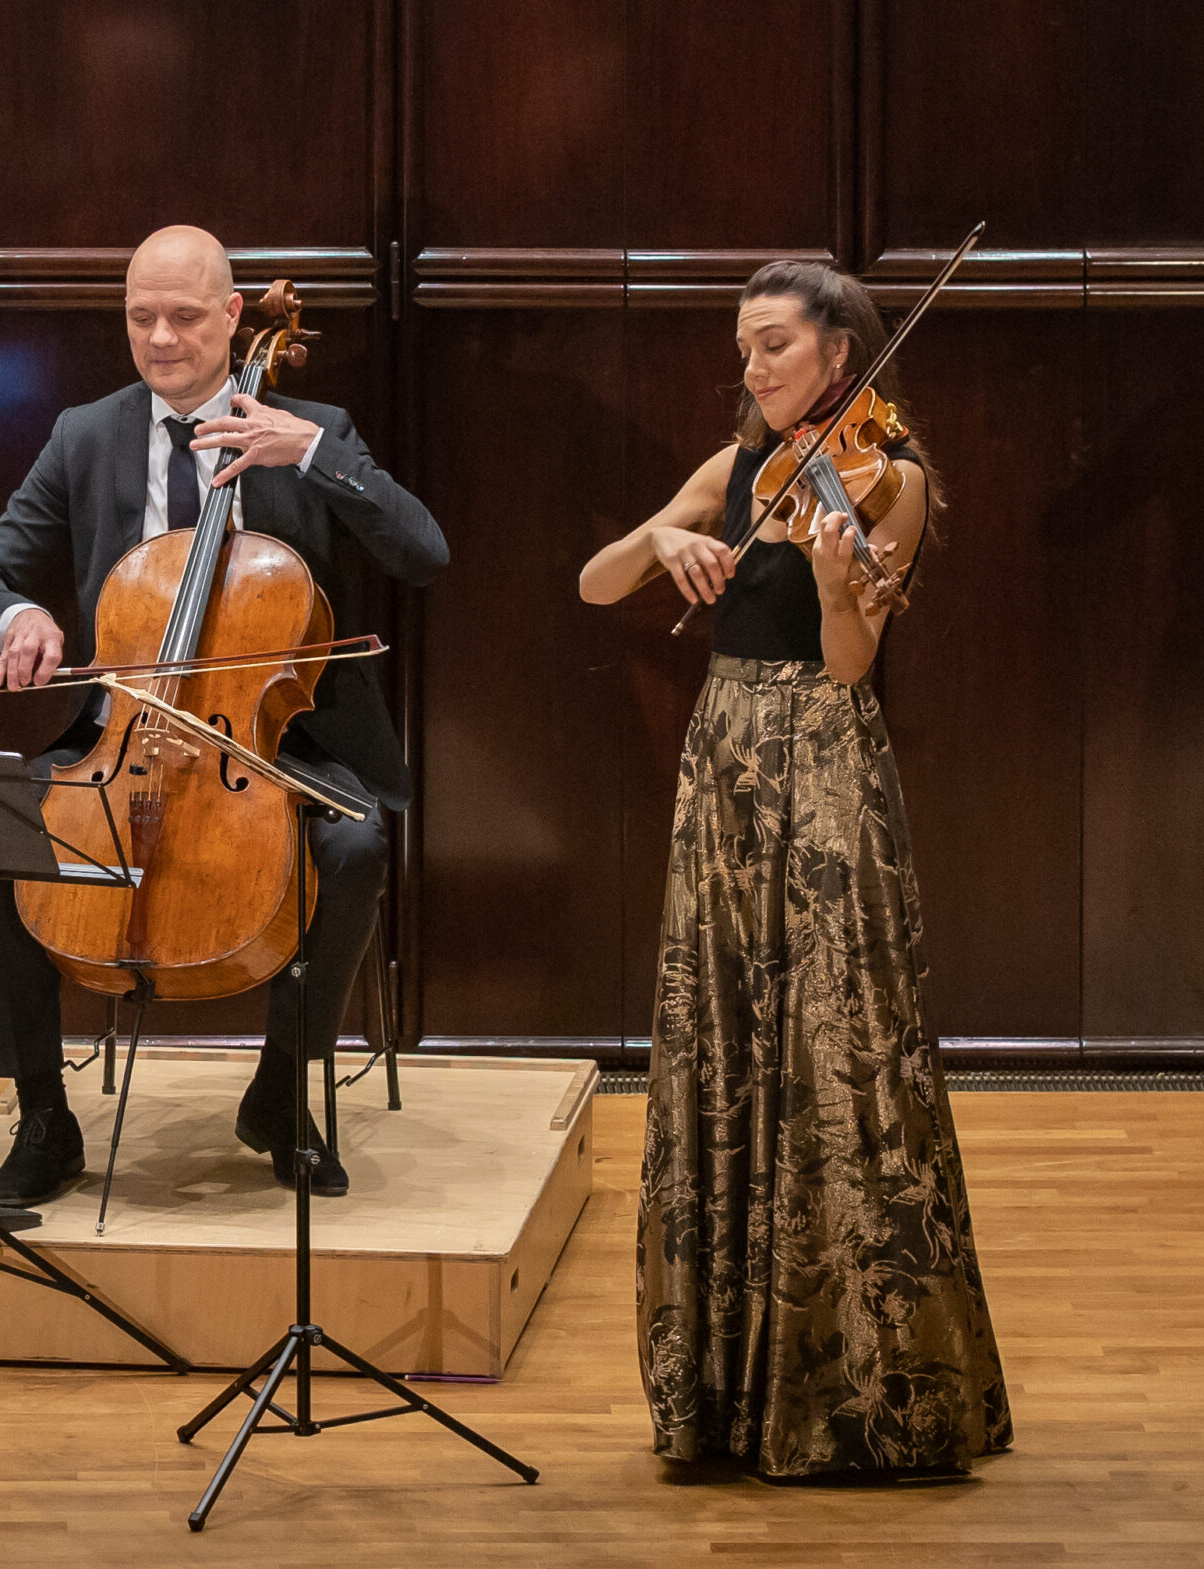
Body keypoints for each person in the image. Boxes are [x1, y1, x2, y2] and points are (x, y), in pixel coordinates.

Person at [579, 260, 1010, 1477]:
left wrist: (837, 580)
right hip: (719, 763)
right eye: (744, 349)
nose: (754, 369)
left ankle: (864, 1391)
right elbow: (594, 579)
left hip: (819, 766)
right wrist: (664, 537)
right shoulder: (734, 471)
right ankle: (721, 1395)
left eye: (774, 345)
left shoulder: (893, 480)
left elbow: (851, 661)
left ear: (839, 351)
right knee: (722, 1039)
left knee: (836, 1046)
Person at [0, 225, 446, 1207]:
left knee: (351, 849)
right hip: (119, 738)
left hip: (278, 738)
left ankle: (278, 1090)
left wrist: (313, 456)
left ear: (229, 317)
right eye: (141, 317)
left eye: (182, 316)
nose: (161, 338)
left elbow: (422, 552)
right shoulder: (84, 434)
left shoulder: (311, 426)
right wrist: (20, 614)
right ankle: (43, 1114)